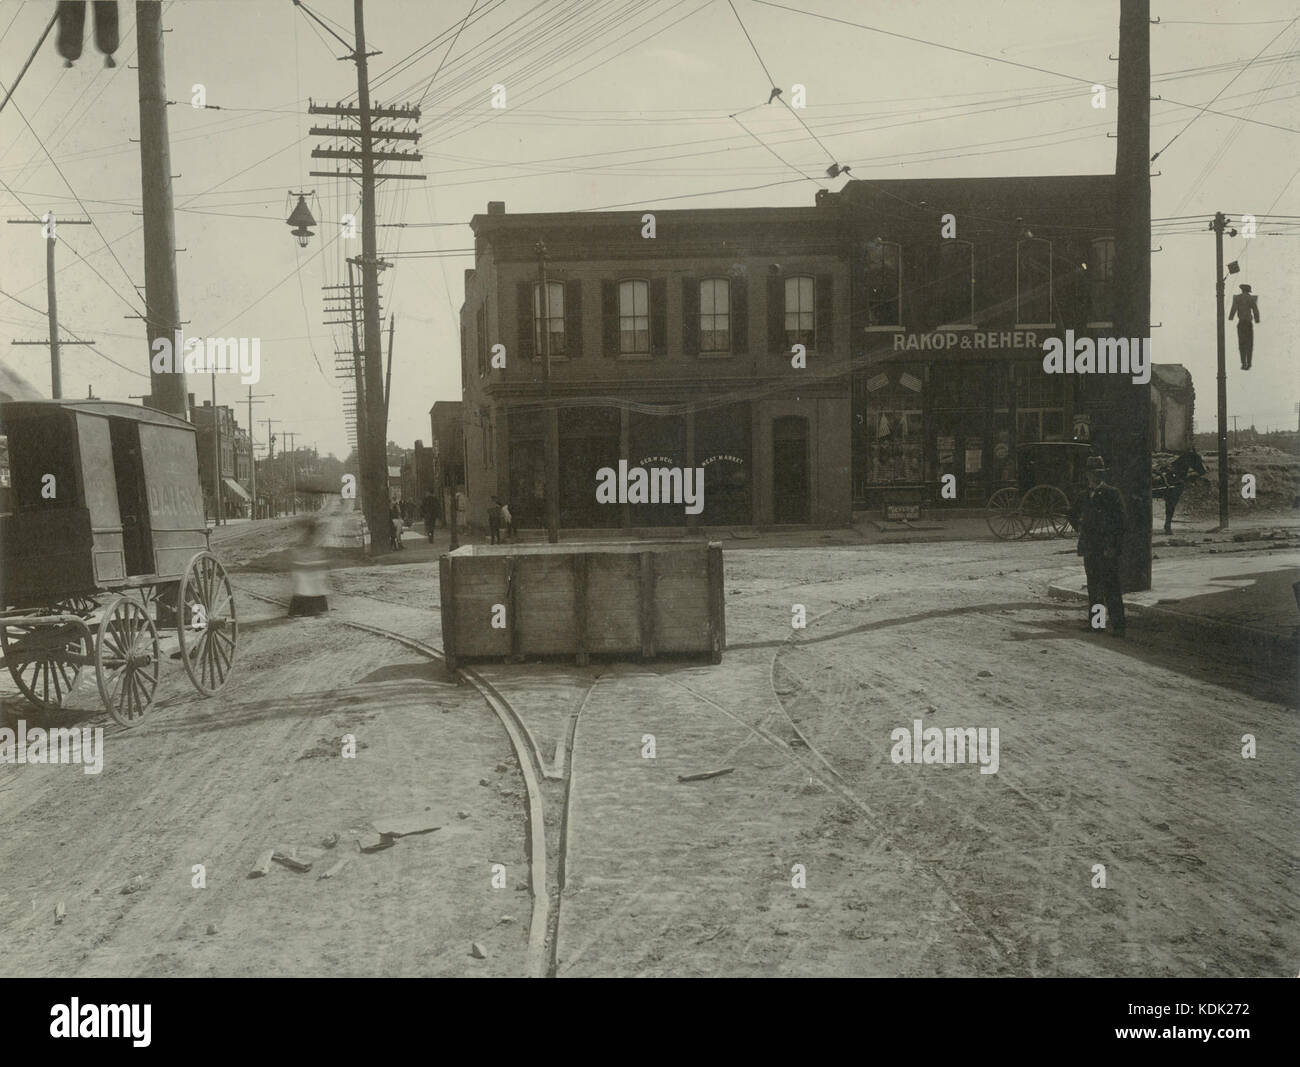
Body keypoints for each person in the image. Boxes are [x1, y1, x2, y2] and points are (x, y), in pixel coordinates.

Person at [1069, 455, 1127, 637]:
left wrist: (1113, 546)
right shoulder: (1083, 495)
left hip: (1107, 549)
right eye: (1092, 473)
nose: (1095, 477)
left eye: (1098, 473)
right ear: (1086, 475)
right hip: (1090, 549)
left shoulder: (1112, 494)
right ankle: (1098, 624)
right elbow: (1071, 515)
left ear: (1103, 475)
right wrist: (1080, 528)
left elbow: (1122, 523)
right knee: (1094, 588)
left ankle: (1118, 627)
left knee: (1111, 588)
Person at [1228, 283, 1259, 370]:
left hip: (1241, 323)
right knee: (1249, 344)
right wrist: (1257, 320)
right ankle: (1249, 363)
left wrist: (1231, 317)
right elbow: (1255, 310)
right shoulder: (1251, 298)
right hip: (1248, 323)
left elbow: (1233, 308)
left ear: (1242, 290)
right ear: (1248, 291)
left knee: (1241, 343)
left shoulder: (1237, 298)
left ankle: (1243, 363)